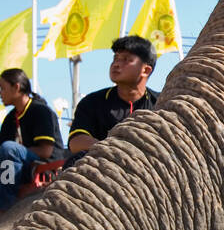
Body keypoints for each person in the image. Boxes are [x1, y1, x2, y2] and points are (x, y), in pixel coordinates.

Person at [0, 69, 66, 217]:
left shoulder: (40, 111)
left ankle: (6, 207)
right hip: (14, 165)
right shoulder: (11, 117)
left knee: (9, 148)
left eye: (2, 88)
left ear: (16, 87)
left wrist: (12, 152)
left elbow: (46, 151)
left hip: (42, 168)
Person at [65, 36, 159, 164]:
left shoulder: (160, 104)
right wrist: (112, 149)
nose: (116, 64)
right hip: (102, 167)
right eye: (115, 58)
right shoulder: (93, 102)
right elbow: (76, 142)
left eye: (126, 60)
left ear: (145, 70)